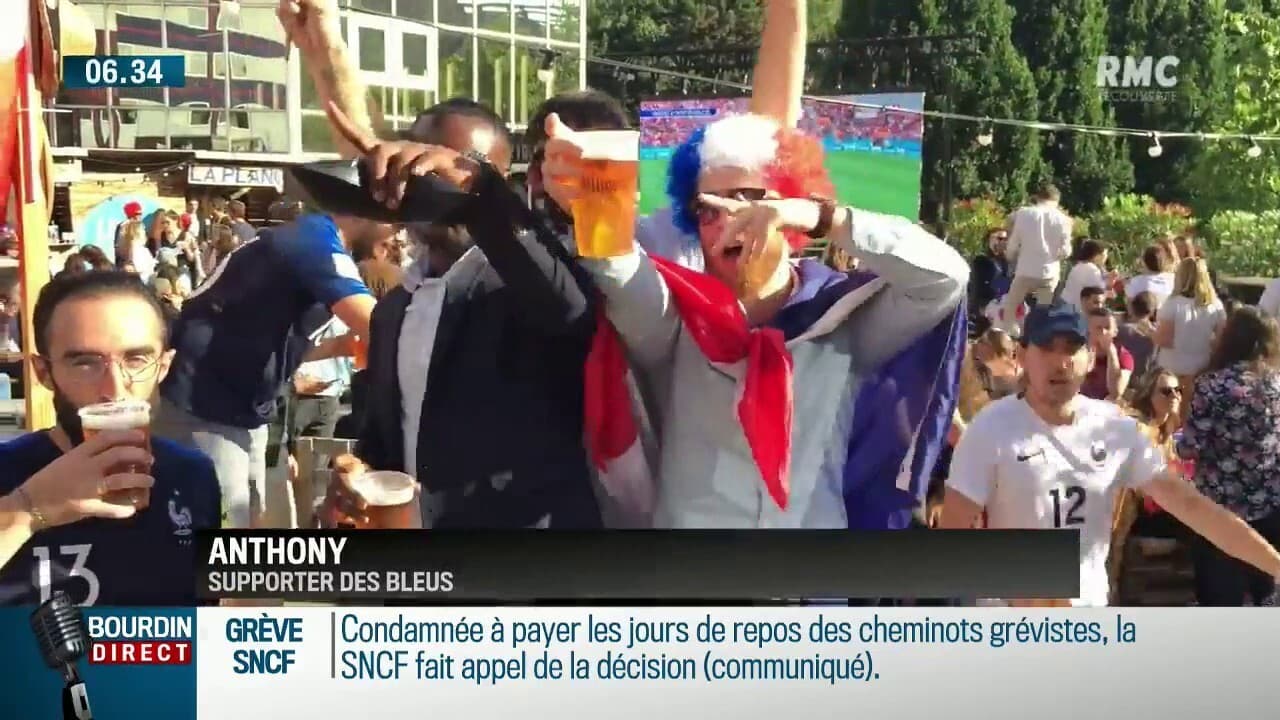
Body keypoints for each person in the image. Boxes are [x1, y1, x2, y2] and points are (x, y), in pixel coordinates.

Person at [542, 108, 968, 530]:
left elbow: (945, 279)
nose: (729, 219)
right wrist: (594, 198)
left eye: (749, 198)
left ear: (791, 204)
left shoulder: (843, 319)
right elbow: (619, 268)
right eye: (707, 209)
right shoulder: (677, 319)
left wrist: (823, 217)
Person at [317, 94, 604, 531]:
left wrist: (478, 196)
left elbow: (571, 313)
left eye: (454, 172)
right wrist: (358, 473)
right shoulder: (394, 308)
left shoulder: (533, 286)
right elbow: (387, 437)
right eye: (419, 169)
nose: (434, 185)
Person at [940, 301, 1280, 607]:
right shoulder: (990, 428)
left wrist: (1275, 564)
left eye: (1072, 349)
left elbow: (1193, 507)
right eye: (1046, 348)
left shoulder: (1114, 428)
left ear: (1090, 358)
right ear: (1023, 355)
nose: (1061, 362)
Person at [0, 271, 220, 605]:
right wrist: (28, 509)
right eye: (85, 363)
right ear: (44, 373)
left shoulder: (193, 474)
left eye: (136, 359)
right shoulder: (8, 471)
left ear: (163, 367)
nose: (114, 390)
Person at [1177, 307, 1280, 605]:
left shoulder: (1212, 385)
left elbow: (1190, 447)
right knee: (1265, 591)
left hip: (1219, 509)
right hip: (1269, 504)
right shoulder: (1276, 384)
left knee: (1219, 597)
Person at [1000, 184, 1073, 334]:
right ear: (1057, 200)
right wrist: (1053, 255)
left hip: (1025, 271)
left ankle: (1011, 336)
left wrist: (1010, 255)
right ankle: (1036, 338)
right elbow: (1066, 251)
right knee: (1042, 310)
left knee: (1010, 309)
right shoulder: (1064, 220)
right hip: (1049, 274)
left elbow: (1014, 243)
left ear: (1038, 197)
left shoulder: (1024, 214)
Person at [1156, 257, 1226, 391]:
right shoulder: (1216, 305)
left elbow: (1164, 340)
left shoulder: (1173, 304)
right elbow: (1220, 340)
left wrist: (1149, 332)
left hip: (1173, 367)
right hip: (1202, 366)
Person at [1080, 308, 1133, 402]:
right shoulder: (1078, 351)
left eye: (1107, 328)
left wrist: (1111, 352)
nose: (1103, 332)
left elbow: (1116, 392)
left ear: (1115, 332)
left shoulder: (1123, 355)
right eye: (1098, 328)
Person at [969, 228, 1011, 335]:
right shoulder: (981, 260)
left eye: (1006, 239)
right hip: (985, 308)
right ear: (989, 240)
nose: (1003, 242)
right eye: (999, 238)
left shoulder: (1005, 262)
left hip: (1002, 308)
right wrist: (979, 307)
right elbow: (976, 285)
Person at [1060, 239, 1108, 314]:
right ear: (1097, 256)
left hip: (1068, 307)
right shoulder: (1092, 269)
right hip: (1079, 312)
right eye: (1105, 254)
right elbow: (1099, 293)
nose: (1106, 257)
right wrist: (1110, 282)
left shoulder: (1078, 266)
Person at [1125, 244, 1176, 311]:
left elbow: (1130, 307)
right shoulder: (1174, 279)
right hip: (1170, 315)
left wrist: (1126, 285)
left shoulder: (1136, 281)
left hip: (1144, 315)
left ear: (1144, 262)